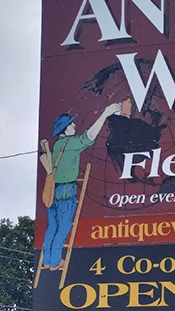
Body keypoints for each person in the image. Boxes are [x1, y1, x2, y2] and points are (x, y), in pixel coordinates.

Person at [42, 102, 122, 270]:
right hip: (66, 191)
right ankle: (55, 261)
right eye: (71, 124)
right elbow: (89, 136)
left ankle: (47, 259)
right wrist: (105, 113)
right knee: (63, 226)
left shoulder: (57, 145)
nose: (74, 125)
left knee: (52, 227)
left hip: (52, 191)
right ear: (64, 128)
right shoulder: (70, 143)